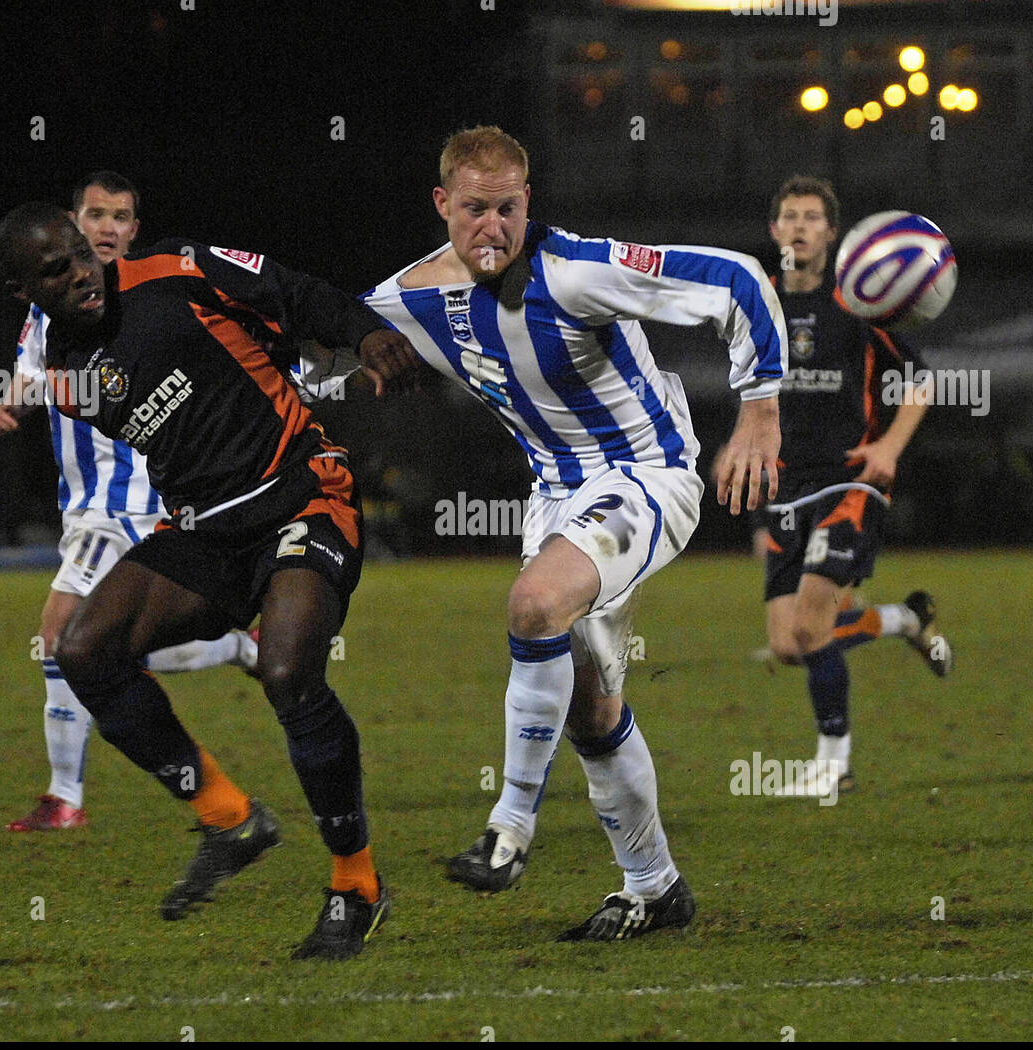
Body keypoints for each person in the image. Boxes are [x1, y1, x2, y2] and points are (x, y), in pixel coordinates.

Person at [359, 126, 787, 940]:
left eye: (509, 209)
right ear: (443, 205)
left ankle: (509, 827)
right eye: (476, 209)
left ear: (530, 205)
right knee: (592, 709)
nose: (494, 227)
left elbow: (736, 278)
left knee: (533, 605)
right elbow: (324, 354)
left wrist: (759, 412)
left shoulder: (578, 269)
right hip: (555, 502)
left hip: (647, 477)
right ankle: (654, 887)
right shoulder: (407, 301)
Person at [0, 201, 422, 959]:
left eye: (81, 254)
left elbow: (290, 291)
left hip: (300, 491)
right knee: (82, 646)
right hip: (205, 528)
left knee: (287, 670)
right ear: (25, 292)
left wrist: (366, 332)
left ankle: (356, 884)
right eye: (56, 271)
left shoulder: (173, 269)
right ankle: (230, 817)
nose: (82, 274)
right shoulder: (63, 373)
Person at [0, 172, 258, 832]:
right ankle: (235, 648)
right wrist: (12, 403)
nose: (108, 226)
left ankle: (67, 797)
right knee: (94, 643)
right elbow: (29, 373)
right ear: (76, 224)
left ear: (135, 230)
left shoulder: (152, 294)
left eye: (121, 216)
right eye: (96, 214)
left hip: (131, 501)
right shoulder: (49, 310)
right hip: (83, 505)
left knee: (60, 635)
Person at [759, 175, 953, 797]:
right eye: (789, 216)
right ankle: (902, 619)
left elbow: (922, 381)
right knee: (790, 645)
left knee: (813, 628)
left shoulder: (860, 303)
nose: (799, 227)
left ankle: (833, 765)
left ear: (832, 233)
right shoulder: (757, 303)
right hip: (781, 487)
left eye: (812, 218)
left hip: (851, 482)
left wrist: (889, 448)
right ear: (774, 230)